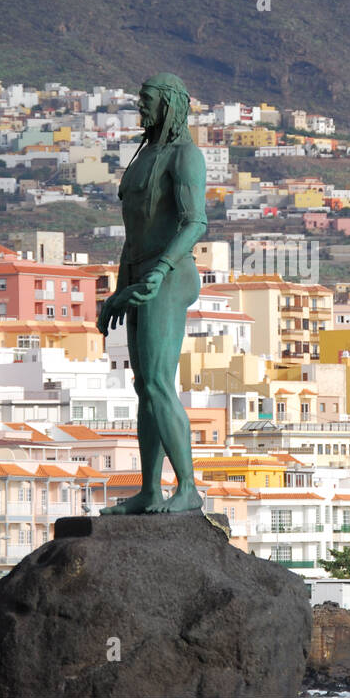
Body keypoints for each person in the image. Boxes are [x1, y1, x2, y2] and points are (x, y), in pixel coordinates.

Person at [97, 73, 207, 513]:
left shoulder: (186, 156)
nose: (139, 109)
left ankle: (188, 490)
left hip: (170, 274)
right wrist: (118, 291)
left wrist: (160, 271)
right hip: (140, 275)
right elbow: (133, 233)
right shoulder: (143, 157)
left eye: (146, 102)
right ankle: (149, 490)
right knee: (144, 386)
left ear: (169, 105)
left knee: (160, 383)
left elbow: (194, 221)